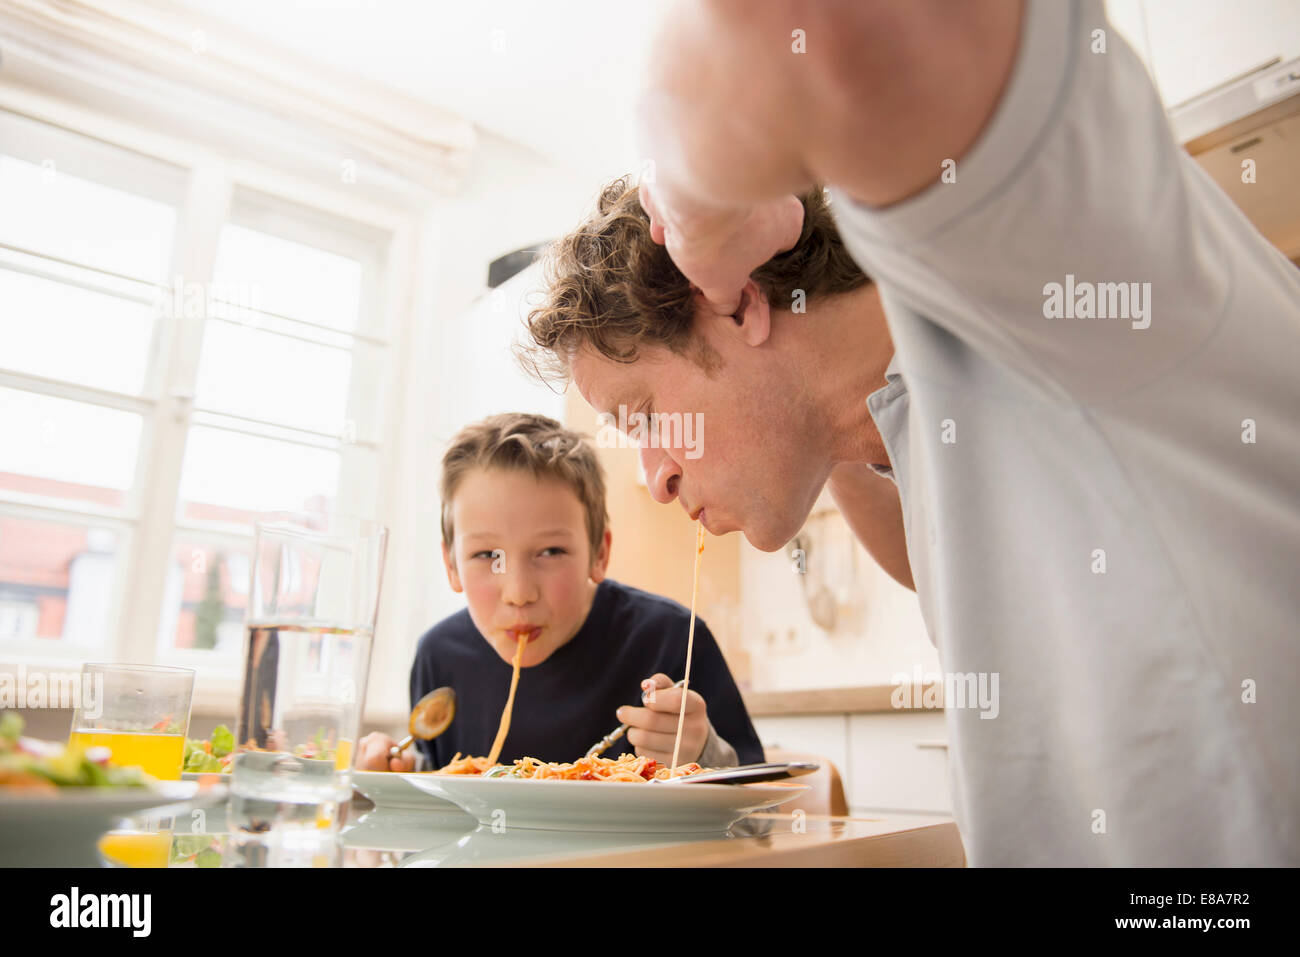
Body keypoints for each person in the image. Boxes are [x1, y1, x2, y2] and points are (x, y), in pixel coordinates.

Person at [522, 0, 1300, 864]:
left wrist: (700, 217)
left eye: (641, 416)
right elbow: (928, 546)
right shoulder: (913, 418)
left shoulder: (1017, 269)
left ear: (738, 299)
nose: (655, 477)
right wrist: (821, 431)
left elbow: (809, 23)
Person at [356, 413, 763, 773]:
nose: (518, 593)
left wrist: (705, 755)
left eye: (550, 552)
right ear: (451, 565)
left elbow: (758, 822)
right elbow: (436, 791)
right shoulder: (440, 656)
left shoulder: (673, 639)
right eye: (486, 555)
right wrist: (396, 770)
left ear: (599, 553)